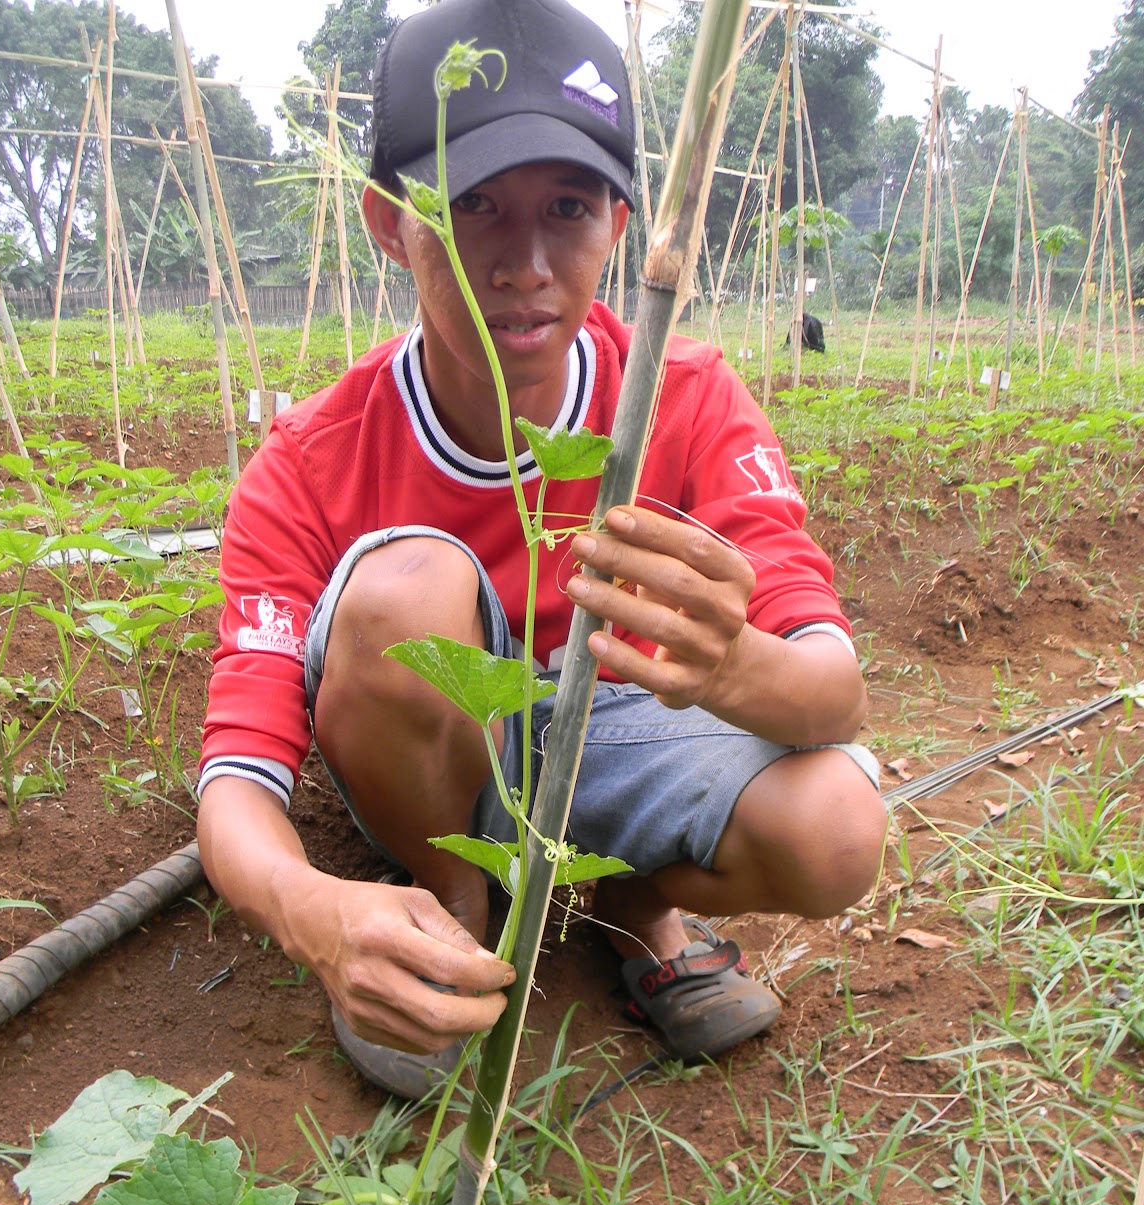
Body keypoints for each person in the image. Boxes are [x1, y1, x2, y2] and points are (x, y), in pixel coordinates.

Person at [197, 0, 887, 1100]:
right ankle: (449, 925)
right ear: (390, 220)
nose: (525, 263)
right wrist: (314, 910)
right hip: (431, 749)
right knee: (403, 592)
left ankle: (626, 898)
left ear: (619, 219)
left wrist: (734, 666)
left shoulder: (686, 396)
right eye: (473, 206)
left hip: (613, 729)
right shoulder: (311, 457)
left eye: (567, 206)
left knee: (838, 826)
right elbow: (237, 774)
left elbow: (833, 694)